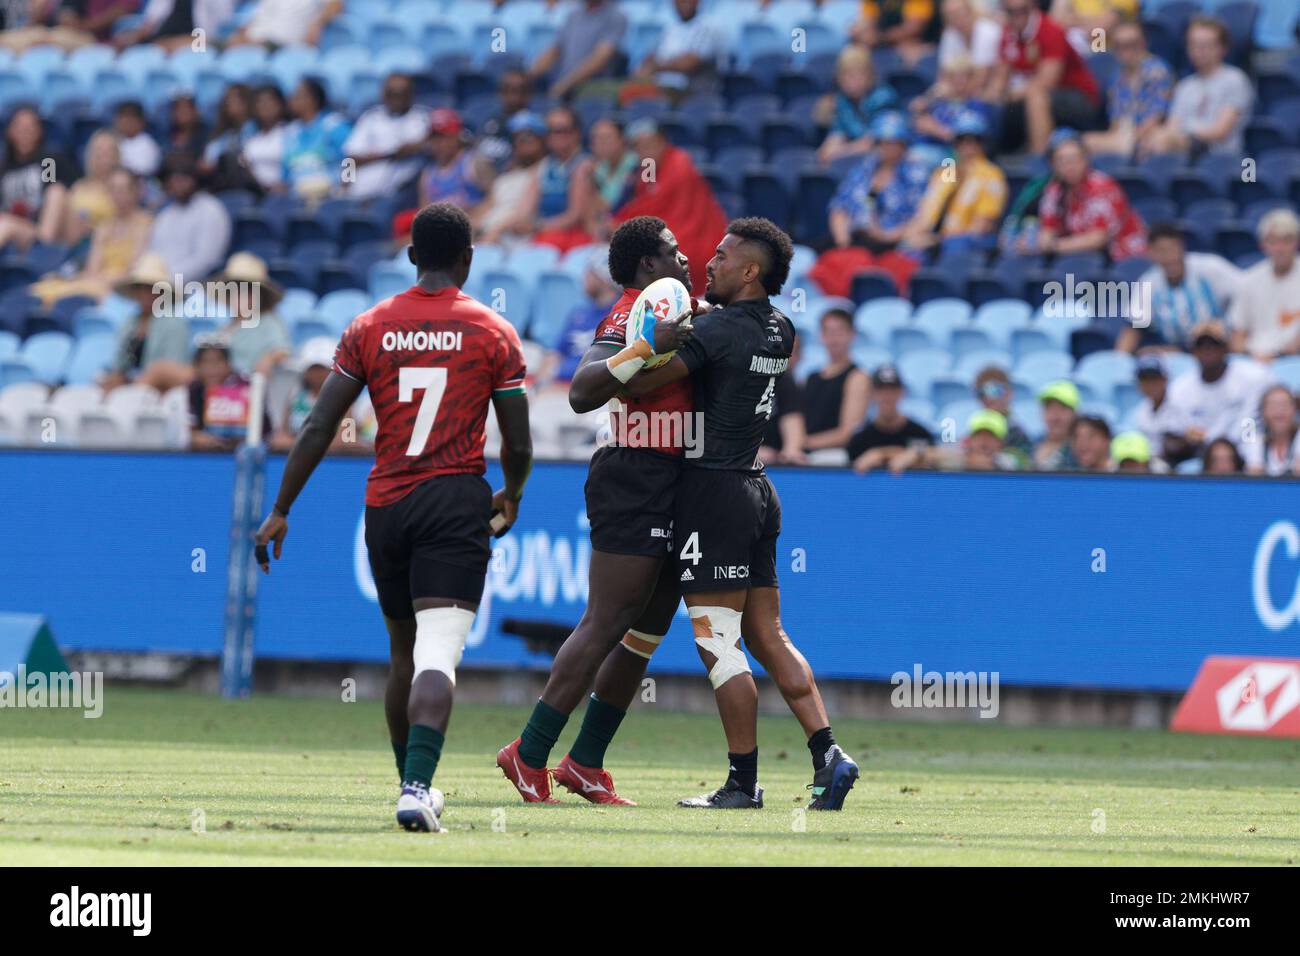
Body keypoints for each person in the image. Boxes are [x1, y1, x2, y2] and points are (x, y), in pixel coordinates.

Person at [254, 203, 534, 833]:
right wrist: (513, 491)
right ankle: (417, 785)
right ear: (468, 260)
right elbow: (517, 442)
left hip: (385, 506)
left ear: (411, 258)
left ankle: (411, 785)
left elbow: (320, 424)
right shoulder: (492, 332)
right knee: (438, 652)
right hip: (455, 502)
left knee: (402, 653)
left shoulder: (368, 326)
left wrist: (280, 508)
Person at [619, 218, 858, 810]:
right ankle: (829, 755)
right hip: (757, 489)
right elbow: (728, 333)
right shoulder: (782, 327)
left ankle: (742, 783)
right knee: (768, 633)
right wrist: (696, 313)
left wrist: (648, 338)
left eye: (722, 256)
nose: (709, 262)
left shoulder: (719, 331)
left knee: (718, 641)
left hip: (713, 494)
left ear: (750, 271)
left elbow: (644, 386)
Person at [495, 216, 698, 806]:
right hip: (634, 473)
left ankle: (584, 762)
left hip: (675, 478)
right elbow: (583, 390)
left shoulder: (679, 303)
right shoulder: (634, 310)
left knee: (647, 631)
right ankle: (528, 753)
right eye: (674, 250)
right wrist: (641, 348)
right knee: (606, 621)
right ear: (647, 266)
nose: (685, 257)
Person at [615, 119, 727, 295]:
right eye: (638, 147)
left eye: (649, 144)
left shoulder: (679, 162)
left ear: (662, 142)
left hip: (694, 235)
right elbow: (644, 198)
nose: (644, 151)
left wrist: (620, 223)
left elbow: (657, 203)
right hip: (665, 229)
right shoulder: (648, 165)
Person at [990, 0, 1100, 154]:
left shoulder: (1050, 30)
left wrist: (1010, 94)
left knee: (1036, 95)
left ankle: (1039, 159)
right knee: (989, 99)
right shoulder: (1008, 33)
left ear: (1033, 7)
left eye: (1022, 10)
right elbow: (999, 77)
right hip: (1035, 95)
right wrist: (994, 94)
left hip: (1079, 97)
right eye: (1011, 11)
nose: (1017, 16)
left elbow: (1047, 81)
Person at [31, 166, 152, 304]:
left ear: (134, 192)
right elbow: (92, 267)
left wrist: (98, 280)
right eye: (113, 189)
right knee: (43, 288)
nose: (117, 195)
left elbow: (134, 270)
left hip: (123, 287)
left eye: (122, 190)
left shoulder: (145, 224)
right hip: (96, 282)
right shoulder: (104, 227)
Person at [1116, 222, 1240, 354]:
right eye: (1161, 251)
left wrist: (1227, 324)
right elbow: (1134, 328)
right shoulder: (1147, 283)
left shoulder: (1211, 268)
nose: (1170, 257)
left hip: (1219, 346)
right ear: (1150, 253)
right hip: (1178, 353)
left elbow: (1246, 293)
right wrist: (1120, 359)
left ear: (1182, 247)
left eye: (1173, 249)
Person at [1140, 15, 1252, 160]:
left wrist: (1178, 134)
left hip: (1217, 152)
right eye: (1193, 44)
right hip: (1181, 145)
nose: (1199, 51)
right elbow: (1172, 125)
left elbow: (1221, 131)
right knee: (1148, 139)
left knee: (1162, 142)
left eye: (1205, 45)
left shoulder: (1234, 79)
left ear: (1223, 48)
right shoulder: (1185, 85)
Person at [903, 110, 1006, 258]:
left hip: (961, 246)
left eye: (974, 139)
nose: (967, 145)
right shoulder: (948, 169)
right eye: (961, 139)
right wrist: (914, 235)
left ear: (983, 142)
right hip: (933, 242)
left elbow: (981, 228)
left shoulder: (991, 175)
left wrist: (936, 240)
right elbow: (929, 210)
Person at [1033, 131, 1146, 261]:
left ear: (1086, 160)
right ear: (1053, 165)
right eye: (1062, 161)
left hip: (1124, 255)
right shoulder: (1054, 190)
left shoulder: (1102, 187)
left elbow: (1098, 239)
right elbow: (1048, 228)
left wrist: (1054, 246)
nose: (1069, 166)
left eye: (1074, 159)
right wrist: (1040, 243)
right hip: (1081, 253)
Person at [1166, 320, 1272, 456]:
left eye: (1214, 345)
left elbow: (1284, 401)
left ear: (1226, 348)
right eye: (1201, 346)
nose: (1208, 350)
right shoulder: (1179, 389)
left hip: (1247, 448)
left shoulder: (1254, 376)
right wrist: (1188, 439)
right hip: (1203, 456)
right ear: (1193, 351)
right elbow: (1172, 438)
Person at [1081, 20, 1172, 158]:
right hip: (1122, 134)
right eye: (1119, 46)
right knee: (1082, 143)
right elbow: (1115, 121)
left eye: (1130, 45)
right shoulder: (1117, 76)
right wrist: (1115, 138)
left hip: (1148, 134)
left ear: (1143, 44)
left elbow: (1156, 117)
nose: (1125, 51)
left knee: (1143, 143)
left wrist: (1131, 137)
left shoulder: (1157, 71)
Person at [100, 252, 190, 390]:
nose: (146, 295)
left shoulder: (173, 324)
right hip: (131, 384)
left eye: (151, 289)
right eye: (141, 288)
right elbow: (119, 364)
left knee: (157, 371)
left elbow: (172, 367)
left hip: (160, 388)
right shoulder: (130, 323)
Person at [269, 337, 374, 454]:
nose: (317, 374)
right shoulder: (295, 398)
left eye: (322, 369)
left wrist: (295, 444)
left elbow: (346, 441)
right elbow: (281, 437)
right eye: (313, 368)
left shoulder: (344, 401)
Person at [342, 73, 431, 201]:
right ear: (383, 94)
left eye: (401, 93)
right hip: (358, 194)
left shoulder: (421, 118)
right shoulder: (370, 118)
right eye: (391, 93)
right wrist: (345, 185)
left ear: (411, 95)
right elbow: (348, 159)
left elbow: (417, 147)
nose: (396, 98)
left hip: (396, 195)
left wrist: (406, 150)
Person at [146, 151, 231, 285]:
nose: (179, 184)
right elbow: (153, 253)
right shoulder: (165, 215)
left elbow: (206, 260)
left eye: (184, 178)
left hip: (197, 288)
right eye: (174, 179)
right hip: (159, 286)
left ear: (194, 179)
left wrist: (168, 279)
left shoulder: (211, 210)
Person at [1228, 209, 1300, 363]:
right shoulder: (1248, 279)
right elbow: (1237, 334)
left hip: (1293, 360)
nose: (1279, 248)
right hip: (1253, 359)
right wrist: (1248, 355)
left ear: (1297, 242)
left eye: (1286, 240)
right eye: (1273, 241)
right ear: (1263, 244)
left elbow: (1294, 346)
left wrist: (1281, 355)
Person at [0, 107, 73, 250]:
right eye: (20, 127)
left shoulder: (47, 161)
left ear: (39, 132)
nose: (25, 132)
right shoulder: (4, 168)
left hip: (39, 230)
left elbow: (51, 192)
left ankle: (43, 247)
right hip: (12, 226)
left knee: (56, 190)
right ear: (10, 132)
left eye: (30, 127)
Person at [802, 307, 871, 455]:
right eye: (828, 332)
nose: (834, 338)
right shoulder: (810, 377)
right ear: (821, 336)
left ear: (852, 335)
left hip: (835, 456)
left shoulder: (857, 378)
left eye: (839, 332)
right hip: (803, 452)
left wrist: (802, 443)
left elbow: (847, 434)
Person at [815, 45, 899, 165]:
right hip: (855, 154)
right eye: (845, 75)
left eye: (857, 74)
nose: (851, 81)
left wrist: (839, 153)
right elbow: (835, 137)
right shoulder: (842, 101)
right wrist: (825, 152)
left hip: (886, 155)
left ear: (870, 75)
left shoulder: (884, 97)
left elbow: (874, 142)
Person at [528, 0, 627, 101]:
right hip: (565, 86)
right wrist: (528, 77)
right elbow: (554, 50)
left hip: (593, 90)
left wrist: (564, 85)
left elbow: (601, 58)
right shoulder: (574, 15)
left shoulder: (615, 17)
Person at [187, 336, 274, 451]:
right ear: (196, 366)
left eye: (218, 361)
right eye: (205, 362)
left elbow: (264, 431)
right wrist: (195, 437)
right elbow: (189, 430)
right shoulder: (193, 390)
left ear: (228, 364)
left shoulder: (245, 388)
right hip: (205, 455)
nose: (212, 368)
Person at [471, 112, 546, 244]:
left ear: (541, 139)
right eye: (518, 137)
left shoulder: (545, 169)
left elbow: (524, 213)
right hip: (486, 233)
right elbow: (488, 206)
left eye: (529, 136)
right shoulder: (505, 177)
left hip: (514, 237)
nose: (523, 141)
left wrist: (494, 231)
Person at [630, 0, 722, 102]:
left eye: (686, 2)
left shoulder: (708, 26)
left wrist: (655, 67)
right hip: (663, 86)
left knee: (641, 96)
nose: (682, 5)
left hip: (691, 92)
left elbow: (688, 64)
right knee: (628, 91)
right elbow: (651, 56)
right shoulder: (671, 27)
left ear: (697, 2)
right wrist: (644, 68)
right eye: (678, 2)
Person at [532, 106, 596, 254]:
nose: (554, 136)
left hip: (571, 235)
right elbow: (526, 207)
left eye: (560, 130)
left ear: (576, 134)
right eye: (550, 131)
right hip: (545, 232)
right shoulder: (544, 165)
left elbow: (574, 216)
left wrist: (538, 226)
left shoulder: (584, 165)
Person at [849, 364, 934, 471]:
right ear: (872, 394)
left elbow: (935, 455)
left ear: (902, 392)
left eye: (892, 389)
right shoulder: (860, 440)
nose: (887, 396)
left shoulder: (919, 434)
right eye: (881, 390)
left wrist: (884, 454)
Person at [281, 77, 351, 202]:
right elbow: (286, 171)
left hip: (329, 195)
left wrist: (346, 186)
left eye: (297, 96)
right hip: (296, 195)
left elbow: (350, 158)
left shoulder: (334, 125)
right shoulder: (290, 132)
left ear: (312, 100)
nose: (292, 100)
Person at [1132, 354, 1189, 466]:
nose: (1150, 385)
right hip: (1148, 463)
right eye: (1145, 380)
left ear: (1165, 379)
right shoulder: (1140, 410)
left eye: (1154, 379)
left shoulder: (1180, 405)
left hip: (1175, 464)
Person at [937, 0, 1003, 94]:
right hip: (960, 90)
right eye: (950, 15)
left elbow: (982, 77)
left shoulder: (988, 31)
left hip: (988, 86)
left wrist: (955, 93)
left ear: (970, 11)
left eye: (958, 12)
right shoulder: (949, 34)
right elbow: (943, 75)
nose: (954, 17)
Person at [852, 0, 942, 66]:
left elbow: (913, 28)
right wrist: (861, 32)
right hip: (886, 43)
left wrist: (879, 37)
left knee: (909, 46)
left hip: (925, 43)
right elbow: (867, 20)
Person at [972, 365, 1031, 459]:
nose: (988, 398)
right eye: (981, 393)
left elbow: (1022, 463)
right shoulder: (974, 430)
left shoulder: (1017, 434)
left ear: (1008, 393)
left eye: (993, 390)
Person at [226, 0, 340, 48]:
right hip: (253, 41)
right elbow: (254, 18)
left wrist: (318, 24)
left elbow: (335, 4)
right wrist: (240, 35)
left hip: (280, 45)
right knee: (211, 44)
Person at [1242, 385, 1300, 477]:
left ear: (1294, 409)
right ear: (1263, 412)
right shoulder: (1255, 443)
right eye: (1274, 405)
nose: (1280, 411)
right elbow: (1254, 477)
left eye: (1284, 405)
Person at [241, 84, 289, 193]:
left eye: (269, 101)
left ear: (280, 105)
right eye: (260, 102)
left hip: (285, 192)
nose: (265, 106)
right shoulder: (252, 139)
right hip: (257, 192)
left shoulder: (291, 133)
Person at [1033, 380, 1080, 469]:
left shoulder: (1080, 452)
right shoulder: (1032, 444)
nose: (1055, 417)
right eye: (1049, 408)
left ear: (1075, 414)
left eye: (1062, 409)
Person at [111, 101, 161, 178]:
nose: (126, 124)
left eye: (130, 120)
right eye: (122, 119)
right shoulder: (112, 140)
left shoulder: (147, 144)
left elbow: (143, 172)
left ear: (141, 122)